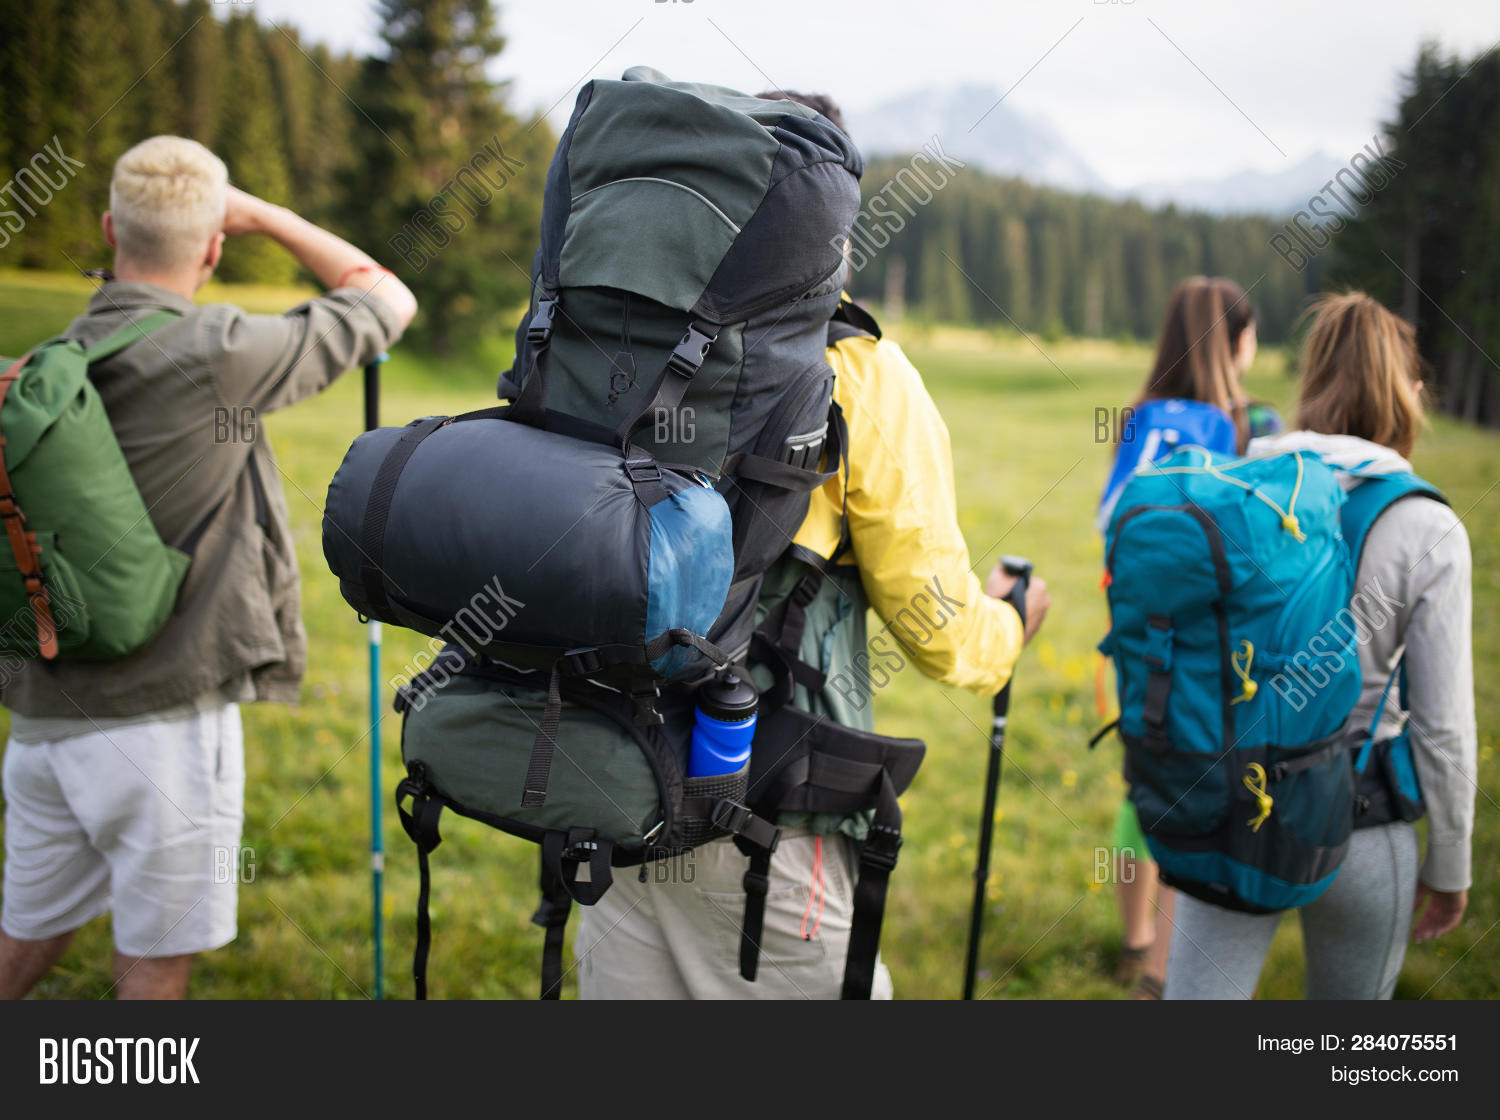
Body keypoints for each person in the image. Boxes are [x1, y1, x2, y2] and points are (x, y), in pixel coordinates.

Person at [570, 90, 1050, 999]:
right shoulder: (859, 373)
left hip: (609, 786)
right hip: (769, 819)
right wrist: (1011, 628)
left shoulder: (608, 347)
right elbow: (939, 630)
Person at [0, 136, 416, 999]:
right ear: (218, 245)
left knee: (25, 932)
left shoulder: (43, 367)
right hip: (164, 729)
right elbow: (384, 298)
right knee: (154, 965)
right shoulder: (222, 351)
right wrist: (267, 213)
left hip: (41, 716)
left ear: (111, 229)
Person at [1164, 292, 1475, 999]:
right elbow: (1444, 727)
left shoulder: (1238, 484)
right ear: (1408, 393)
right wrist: (1450, 865)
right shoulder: (1426, 525)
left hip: (1234, 806)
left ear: (1313, 381)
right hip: (1363, 821)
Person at [1096, 276, 1268, 998]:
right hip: (1211, 643)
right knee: (1197, 789)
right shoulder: (1249, 423)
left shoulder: (1137, 417)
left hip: (1132, 631)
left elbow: (1112, 521)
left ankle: (1135, 939)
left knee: (1144, 773)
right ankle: (1165, 971)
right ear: (1236, 341)